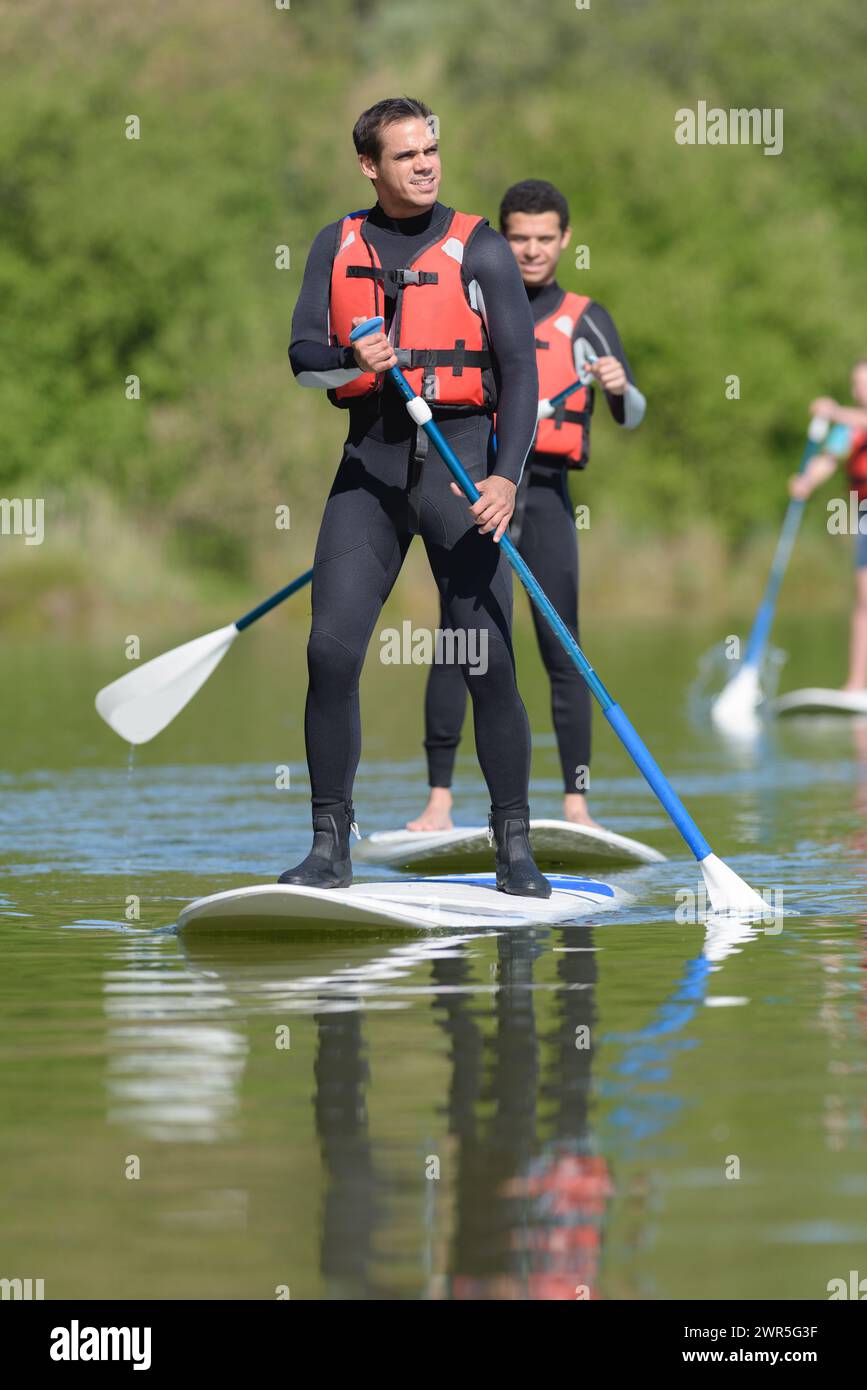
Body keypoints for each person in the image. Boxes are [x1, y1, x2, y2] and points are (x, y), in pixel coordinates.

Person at [284, 97, 551, 896]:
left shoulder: (482, 249)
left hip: (463, 465)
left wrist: (506, 477)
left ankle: (514, 846)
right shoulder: (337, 242)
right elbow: (302, 359)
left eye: (430, 148)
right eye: (405, 155)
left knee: (487, 660)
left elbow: (523, 374)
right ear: (370, 166)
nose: (425, 163)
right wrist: (349, 354)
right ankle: (330, 848)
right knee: (329, 653)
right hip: (369, 465)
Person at [408, 179, 646, 833]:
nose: (532, 251)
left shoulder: (587, 317)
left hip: (542, 495)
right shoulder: (471, 304)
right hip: (475, 489)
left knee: (560, 643)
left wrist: (621, 387)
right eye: (519, 239)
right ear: (499, 240)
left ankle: (576, 804)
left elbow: (630, 415)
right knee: (464, 640)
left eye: (545, 239)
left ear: (564, 240)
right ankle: (438, 803)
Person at [790, 360, 867, 690]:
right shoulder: (846, 428)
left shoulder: (848, 418)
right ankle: (856, 684)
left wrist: (833, 411)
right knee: (864, 599)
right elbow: (829, 459)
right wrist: (806, 480)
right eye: (858, 383)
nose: (862, 389)